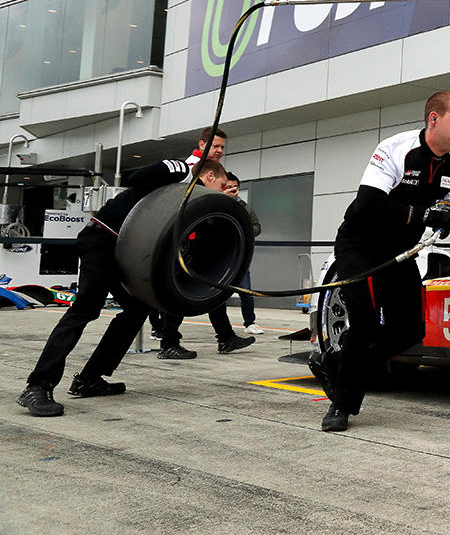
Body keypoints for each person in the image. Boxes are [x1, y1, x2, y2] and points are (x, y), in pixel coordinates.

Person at [16, 158, 222, 416]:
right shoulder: (179, 172)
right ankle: (37, 386)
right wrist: (176, 171)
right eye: (222, 186)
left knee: (137, 310)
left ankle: (89, 378)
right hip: (102, 240)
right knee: (85, 310)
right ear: (210, 176)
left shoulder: (190, 206)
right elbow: (136, 180)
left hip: (127, 251)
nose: (222, 194)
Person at [316, 91, 450, 432]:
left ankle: (339, 363)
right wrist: (426, 213)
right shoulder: (396, 149)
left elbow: (443, 213)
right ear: (434, 119)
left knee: (410, 329)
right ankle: (341, 405)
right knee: (366, 322)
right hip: (360, 246)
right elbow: (368, 204)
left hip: (400, 251)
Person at [156, 149, 256, 359]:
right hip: (186, 255)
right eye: (221, 185)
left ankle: (226, 337)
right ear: (210, 176)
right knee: (180, 298)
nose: (223, 189)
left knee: (214, 293)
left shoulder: (196, 193)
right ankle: (169, 343)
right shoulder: (194, 193)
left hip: (193, 254)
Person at [224, 172, 264, 335]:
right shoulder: (217, 202)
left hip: (239, 256)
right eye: (229, 187)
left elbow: (257, 228)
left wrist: (244, 229)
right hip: (220, 256)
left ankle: (250, 322)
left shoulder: (246, 207)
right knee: (218, 294)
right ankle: (223, 329)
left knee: (246, 291)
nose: (233, 190)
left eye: (235, 187)